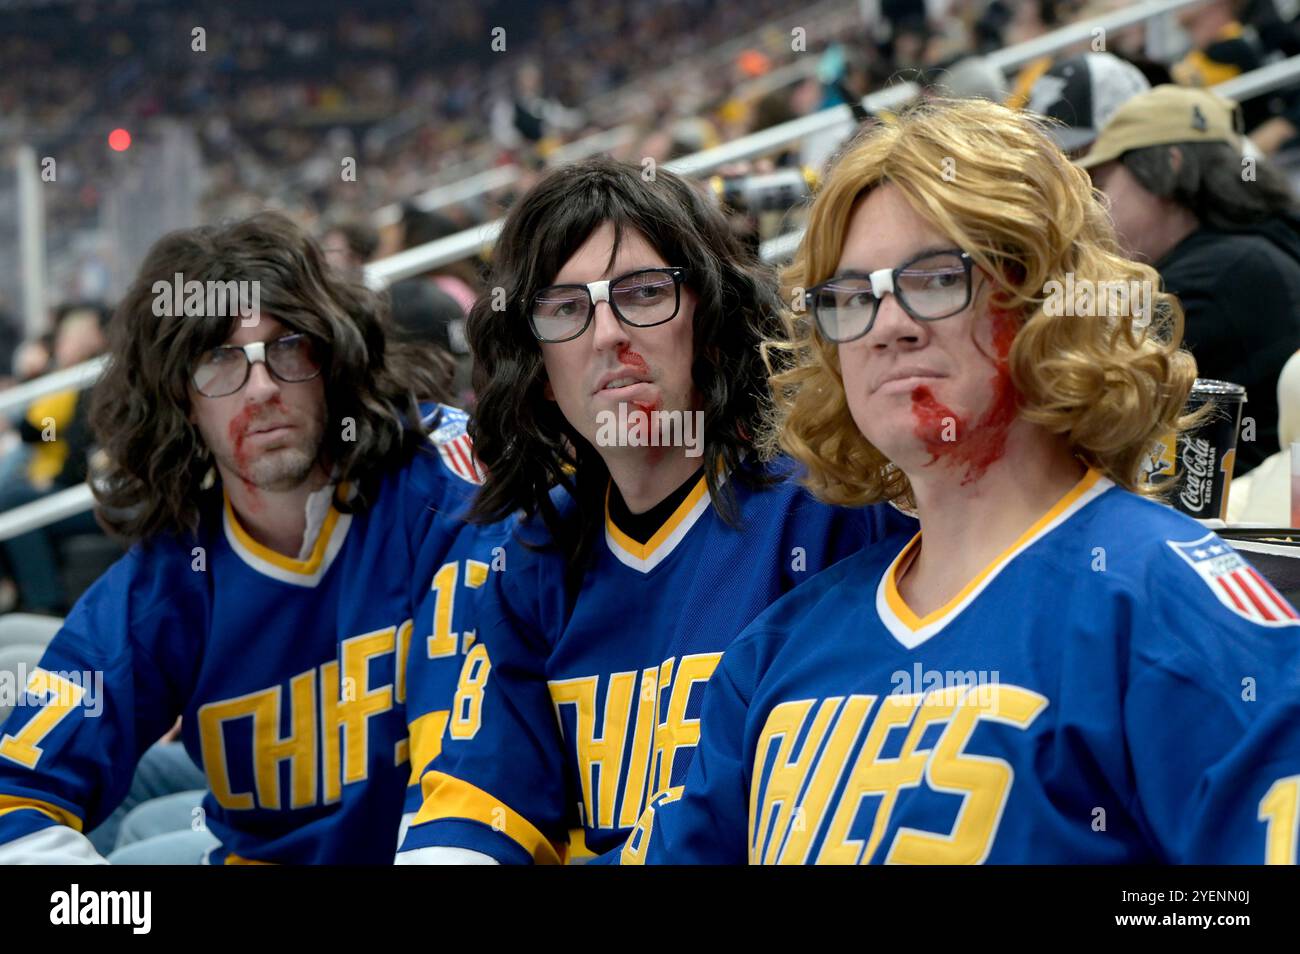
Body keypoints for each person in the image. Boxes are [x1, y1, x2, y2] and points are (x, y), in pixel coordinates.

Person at [617, 97, 1300, 865]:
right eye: (850, 298)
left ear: (1049, 297)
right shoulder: (778, 647)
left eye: (936, 278)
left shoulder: (1170, 608)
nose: (886, 325)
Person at [396, 157, 909, 864]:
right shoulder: (536, 556)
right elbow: (477, 808)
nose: (607, 335)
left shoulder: (827, 511)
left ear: (711, 322)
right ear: (539, 371)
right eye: (566, 309)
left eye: (640, 294)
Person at [0, 212, 496, 864]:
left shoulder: (438, 481)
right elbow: (16, 794)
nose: (261, 388)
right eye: (219, 360)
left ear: (333, 355)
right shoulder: (175, 573)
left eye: (287, 347)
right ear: (178, 397)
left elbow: (488, 787)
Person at [1079, 85, 1300, 474]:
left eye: (1103, 184)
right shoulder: (1256, 249)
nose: (1094, 210)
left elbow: (1082, 401)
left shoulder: (1225, 275)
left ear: (1171, 166)